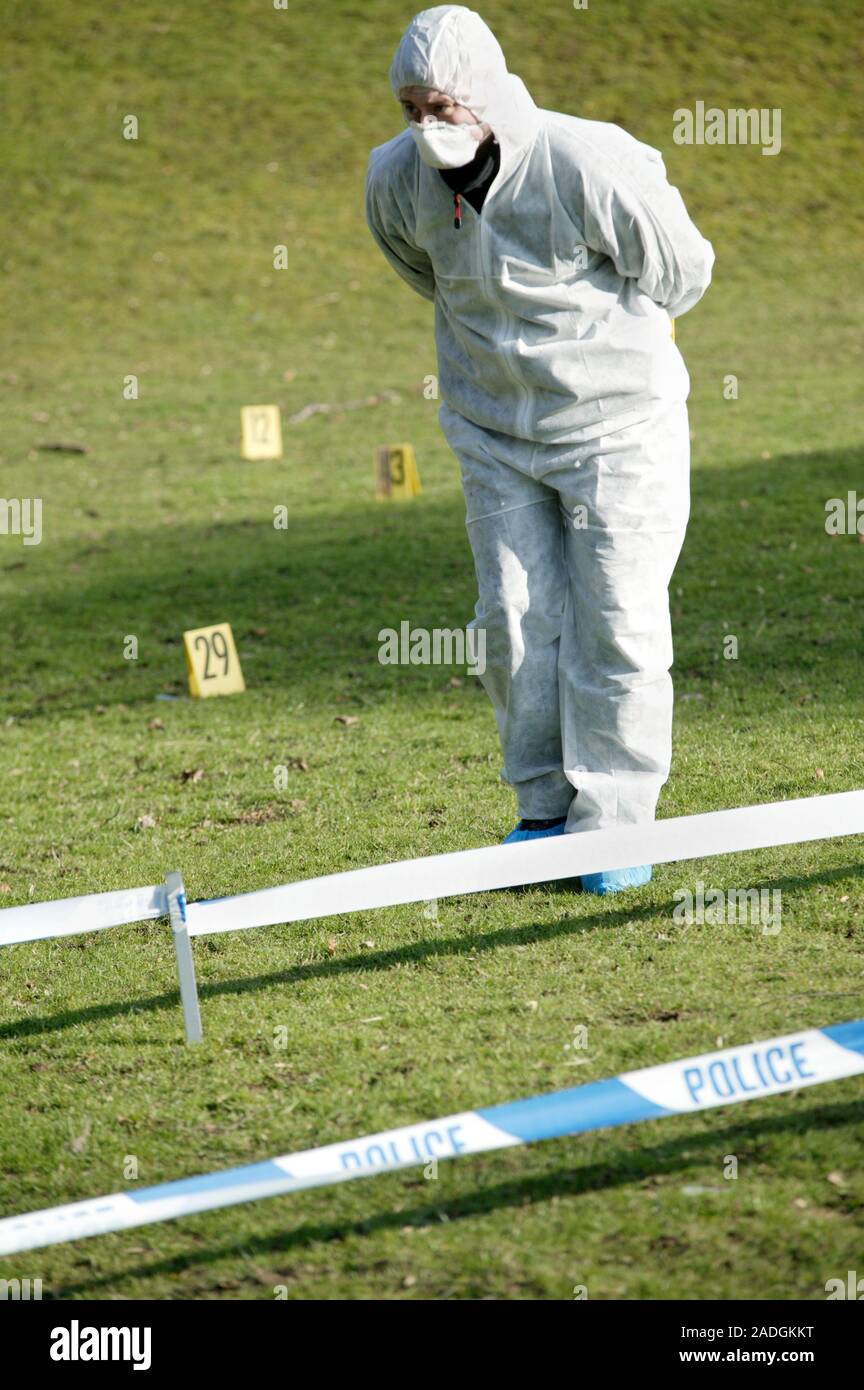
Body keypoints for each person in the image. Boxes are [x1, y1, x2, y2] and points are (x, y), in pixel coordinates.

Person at [365, 5, 714, 894]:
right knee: (513, 621)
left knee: (619, 619)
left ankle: (615, 827)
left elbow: (681, 267)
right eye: (410, 107)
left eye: (441, 105)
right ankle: (545, 813)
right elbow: (422, 272)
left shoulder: (584, 160)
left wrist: (604, 341)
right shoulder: (395, 180)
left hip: (619, 428)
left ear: (483, 97)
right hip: (492, 432)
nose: (424, 125)